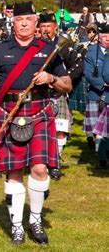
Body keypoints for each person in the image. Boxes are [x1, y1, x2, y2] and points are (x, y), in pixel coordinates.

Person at [0, 2, 72, 245]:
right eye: (20, 20)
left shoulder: (49, 49)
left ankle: (35, 220)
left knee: (39, 169)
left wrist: (51, 78)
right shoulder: (0, 49)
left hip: (39, 111)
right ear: (13, 22)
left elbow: (67, 84)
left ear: (36, 22)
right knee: (14, 172)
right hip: (9, 112)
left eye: (29, 19)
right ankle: (16, 224)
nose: (25, 23)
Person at [39, 12, 84, 180]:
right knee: (41, 131)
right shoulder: (35, 46)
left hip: (58, 93)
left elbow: (78, 66)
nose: (45, 30)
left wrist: (63, 81)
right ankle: (42, 161)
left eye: (48, 27)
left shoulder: (64, 45)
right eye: (42, 26)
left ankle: (55, 163)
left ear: (55, 27)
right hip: (40, 95)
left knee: (60, 130)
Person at [84, 23, 109, 167]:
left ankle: (103, 156)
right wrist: (103, 84)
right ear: (99, 37)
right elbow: (88, 73)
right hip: (95, 94)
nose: (108, 39)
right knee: (97, 128)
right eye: (105, 36)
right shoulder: (91, 52)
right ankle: (101, 155)